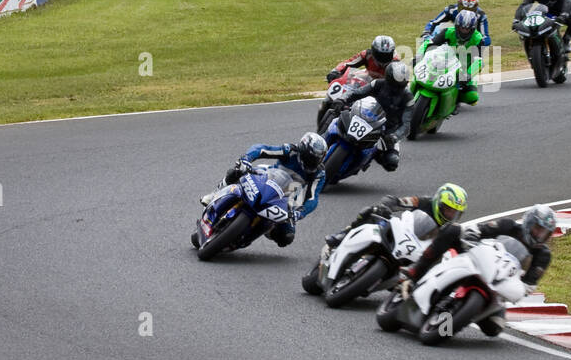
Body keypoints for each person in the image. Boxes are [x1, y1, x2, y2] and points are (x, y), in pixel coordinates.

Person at [402, 204, 559, 301]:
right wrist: (472, 236)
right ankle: (415, 272)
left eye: (545, 233)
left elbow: (529, 285)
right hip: (480, 261)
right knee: (452, 230)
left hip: (500, 287)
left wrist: (518, 285)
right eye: (538, 229)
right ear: (529, 223)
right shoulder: (508, 226)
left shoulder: (543, 255)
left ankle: (461, 311)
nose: (540, 235)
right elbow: (479, 230)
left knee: (494, 328)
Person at [200, 132, 328, 247]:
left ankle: (267, 228)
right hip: (267, 177)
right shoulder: (290, 151)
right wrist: (246, 159)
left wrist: (300, 213)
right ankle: (214, 194)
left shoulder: (319, 173)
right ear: (302, 150)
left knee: (286, 237)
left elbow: (313, 198)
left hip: (288, 196)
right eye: (310, 158)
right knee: (236, 172)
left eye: (316, 159)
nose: (312, 163)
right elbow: (262, 149)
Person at [323, 182, 468, 250]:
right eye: (448, 209)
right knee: (372, 211)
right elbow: (400, 202)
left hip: (416, 255)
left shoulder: (450, 230)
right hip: (400, 234)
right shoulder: (424, 202)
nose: (450, 214)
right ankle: (343, 234)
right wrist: (389, 205)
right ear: (438, 202)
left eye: (454, 212)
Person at [341, 60, 412, 171]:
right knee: (338, 114)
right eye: (393, 85)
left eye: (399, 87)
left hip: (388, 131)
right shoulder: (378, 84)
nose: (395, 90)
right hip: (368, 115)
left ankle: (370, 156)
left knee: (391, 162)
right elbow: (358, 92)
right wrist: (343, 99)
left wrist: (395, 136)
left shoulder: (408, 98)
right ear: (388, 80)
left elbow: (406, 124)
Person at [424, 9, 484, 107]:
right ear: (456, 26)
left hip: (463, 70)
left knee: (472, 98)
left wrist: (468, 75)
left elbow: (479, 61)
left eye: (467, 29)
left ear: (472, 29)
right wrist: (420, 57)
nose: (464, 31)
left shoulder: (478, 39)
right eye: (461, 28)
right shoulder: (448, 32)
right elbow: (430, 44)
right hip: (444, 64)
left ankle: (455, 100)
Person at [423, 0, 491, 47]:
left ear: (475, 9)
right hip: (453, 35)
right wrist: (427, 34)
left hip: (471, 39)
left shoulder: (481, 16)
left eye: (471, 10)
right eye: (463, 9)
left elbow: (486, 37)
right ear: (458, 6)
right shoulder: (451, 10)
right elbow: (434, 22)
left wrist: (480, 44)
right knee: (440, 28)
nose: (466, 13)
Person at [327, 35, 398, 82]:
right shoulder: (366, 55)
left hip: (385, 90)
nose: (383, 58)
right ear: (373, 50)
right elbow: (348, 63)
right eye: (380, 54)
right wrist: (335, 71)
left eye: (386, 55)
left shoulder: (396, 63)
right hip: (367, 85)